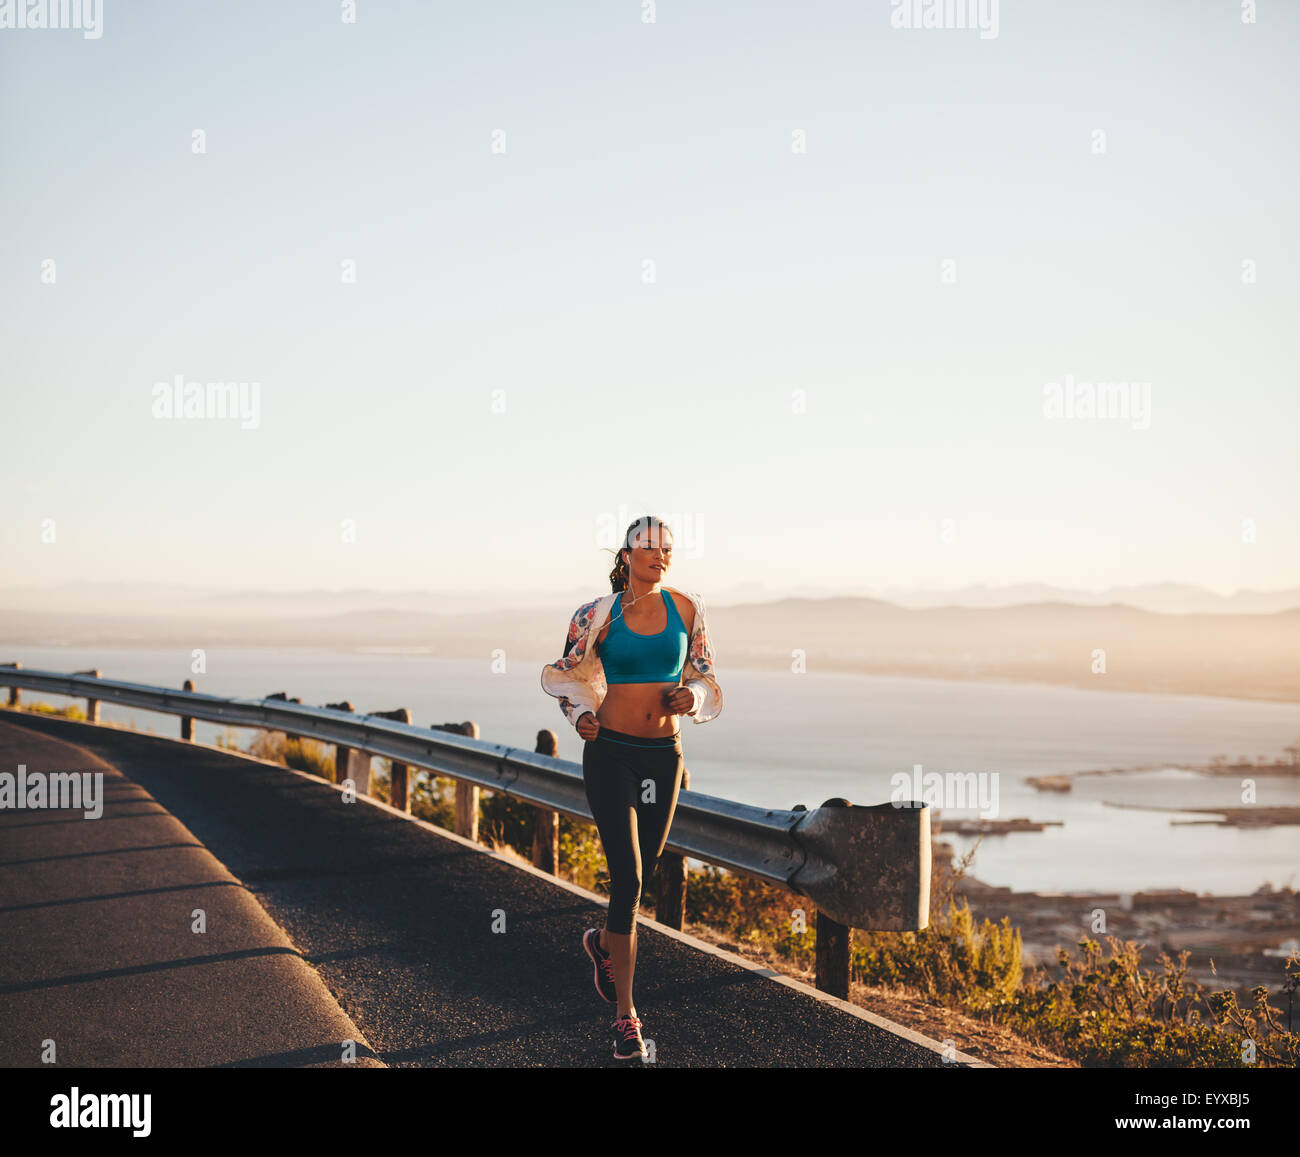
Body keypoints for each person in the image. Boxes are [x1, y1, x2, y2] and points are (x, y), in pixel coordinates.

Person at [540, 514, 722, 1060]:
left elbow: (705, 674)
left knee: (648, 865)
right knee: (630, 879)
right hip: (611, 753)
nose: (660, 556)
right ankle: (626, 1016)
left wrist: (691, 696)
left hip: (664, 756)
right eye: (649, 548)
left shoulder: (687, 609)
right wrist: (581, 716)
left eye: (668, 548)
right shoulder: (595, 615)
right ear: (626, 555)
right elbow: (569, 676)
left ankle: (601, 942)